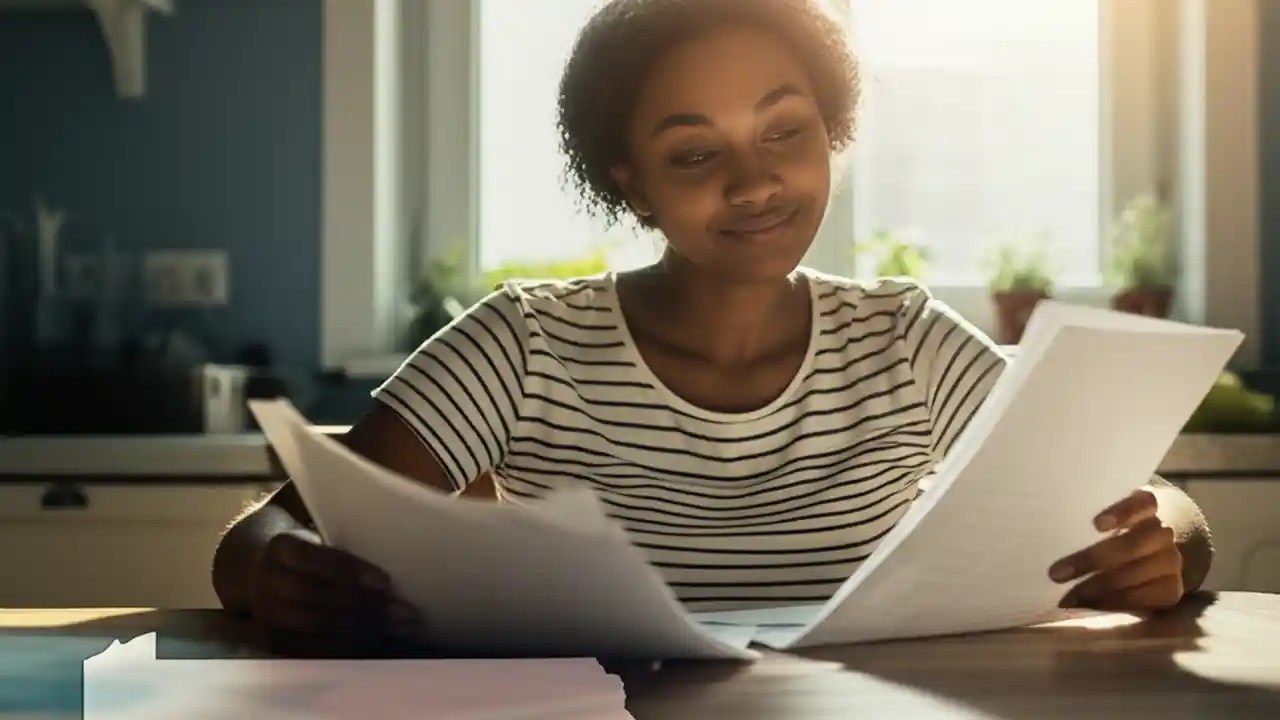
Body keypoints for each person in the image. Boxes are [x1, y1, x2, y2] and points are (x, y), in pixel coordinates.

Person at [212, 0, 1213, 654]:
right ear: (631, 184)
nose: (754, 181)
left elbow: (1163, 510)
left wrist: (1157, 543)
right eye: (695, 155)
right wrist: (270, 570)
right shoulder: (523, 345)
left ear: (831, 131)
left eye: (784, 131)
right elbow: (270, 525)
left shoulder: (900, 340)